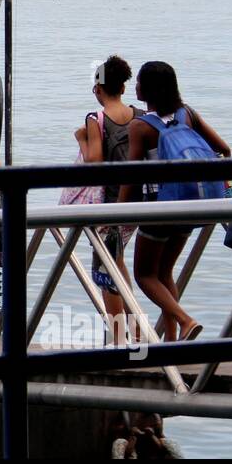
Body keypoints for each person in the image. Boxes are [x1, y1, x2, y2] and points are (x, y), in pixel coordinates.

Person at [119, 62, 231, 343]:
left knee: (144, 275)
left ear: (148, 89)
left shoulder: (141, 127)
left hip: (160, 208)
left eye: (140, 82)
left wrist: (117, 214)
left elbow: (130, 178)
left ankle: (185, 319)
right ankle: (172, 340)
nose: (136, 87)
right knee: (165, 272)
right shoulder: (187, 114)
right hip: (192, 206)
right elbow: (224, 149)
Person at [79, 56, 143, 345]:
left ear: (98, 89)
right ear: (123, 88)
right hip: (136, 203)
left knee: (105, 270)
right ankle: (139, 331)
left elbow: (94, 162)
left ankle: (117, 340)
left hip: (109, 206)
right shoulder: (140, 115)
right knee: (117, 262)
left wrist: (81, 138)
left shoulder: (96, 118)